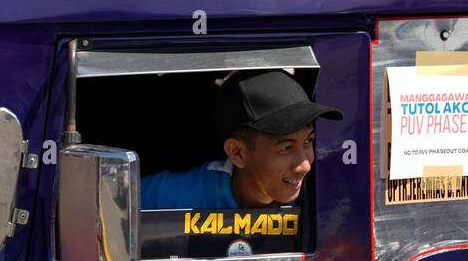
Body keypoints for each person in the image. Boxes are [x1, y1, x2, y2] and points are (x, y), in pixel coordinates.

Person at [139, 69, 343, 210]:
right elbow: (112, 206)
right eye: (286, 147)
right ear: (237, 153)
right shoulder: (174, 196)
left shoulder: (324, 198)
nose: (305, 166)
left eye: (308, 141)